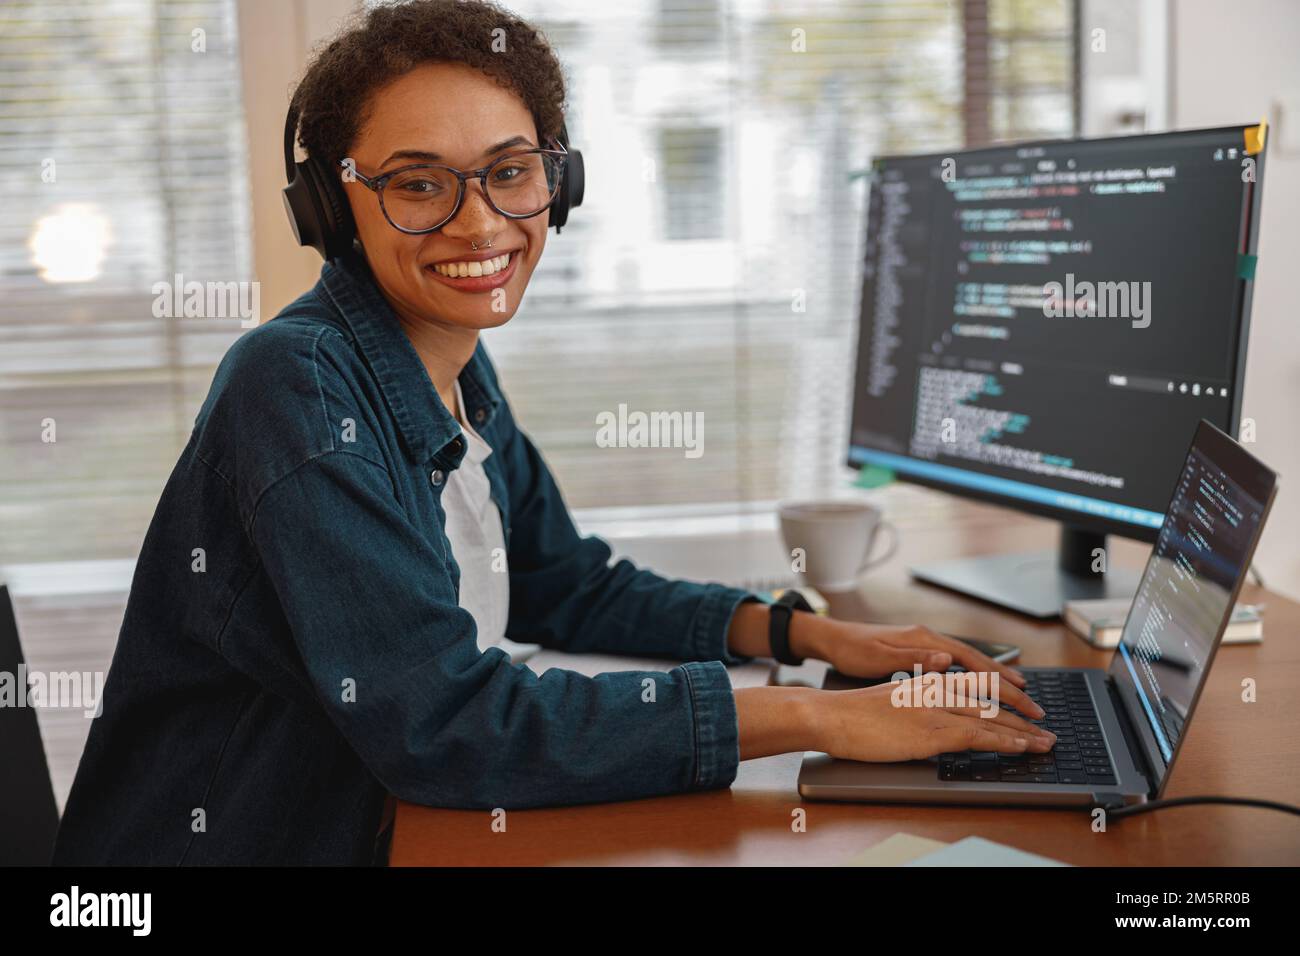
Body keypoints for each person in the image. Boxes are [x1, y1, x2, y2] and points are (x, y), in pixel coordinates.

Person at [53, 0, 1051, 866]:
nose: (479, 224)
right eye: (416, 183)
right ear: (332, 207)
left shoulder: (448, 361)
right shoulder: (299, 384)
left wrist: (804, 631)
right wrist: (824, 712)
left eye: (509, 171)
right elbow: (443, 724)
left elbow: (561, 581)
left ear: (555, 184)